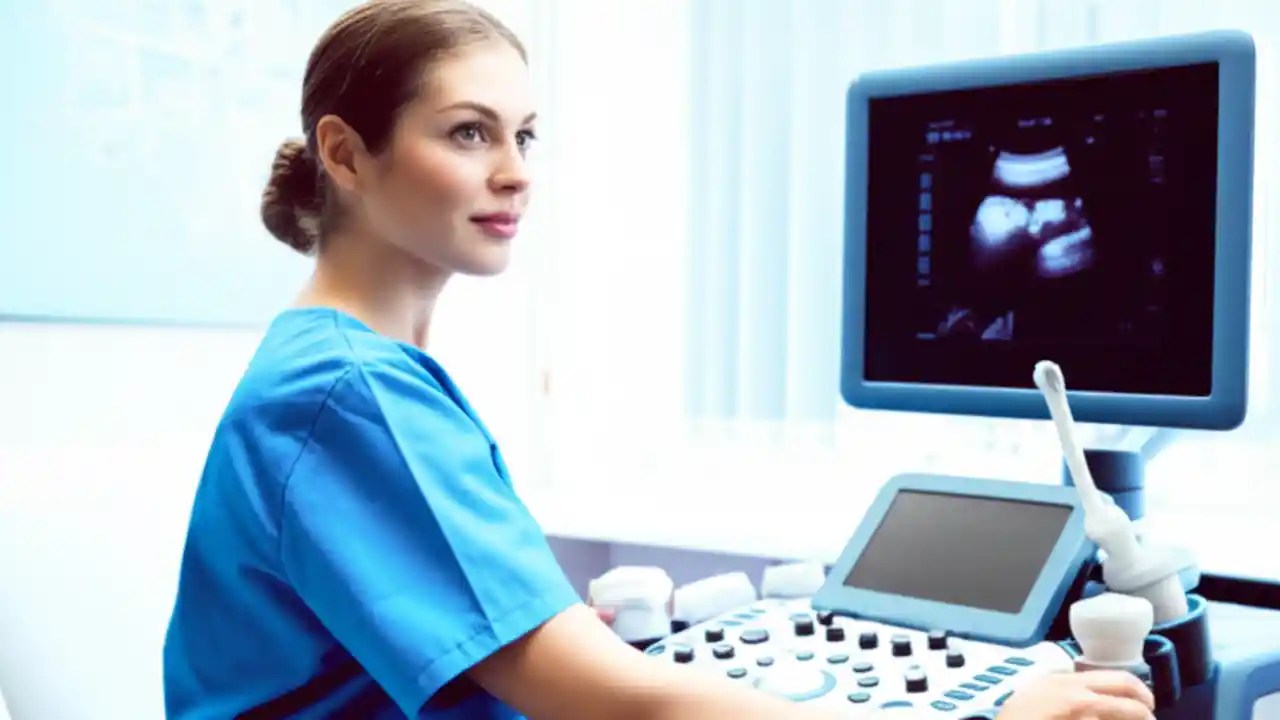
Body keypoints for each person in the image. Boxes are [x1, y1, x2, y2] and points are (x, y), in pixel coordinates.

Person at [161, 1, 1158, 718]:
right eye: (467, 133)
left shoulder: (344, 371)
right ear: (344, 155)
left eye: (524, 134)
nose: (514, 171)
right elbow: (613, 703)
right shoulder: (349, 392)